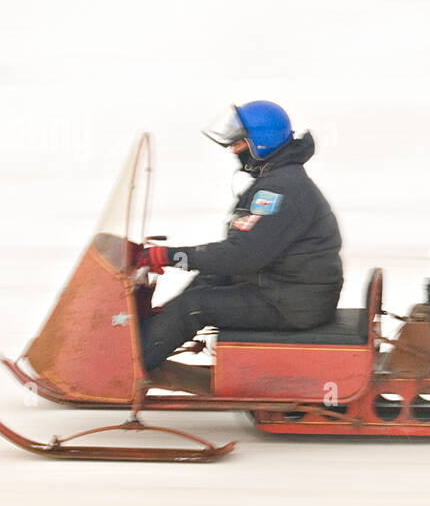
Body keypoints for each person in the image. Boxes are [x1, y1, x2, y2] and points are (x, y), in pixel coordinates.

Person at [137, 101, 343, 376]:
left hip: (292, 302)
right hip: (287, 289)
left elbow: (241, 255)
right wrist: (166, 313)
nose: (234, 150)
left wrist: (169, 255)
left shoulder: (282, 189)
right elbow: (240, 256)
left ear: (261, 143)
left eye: (239, 143)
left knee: (194, 306)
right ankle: (147, 339)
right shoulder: (277, 180)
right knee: (206, 282)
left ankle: (125, 372)